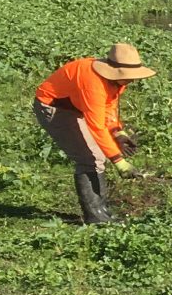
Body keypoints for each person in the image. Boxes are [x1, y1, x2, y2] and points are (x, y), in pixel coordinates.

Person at [33, 42, 154, 225]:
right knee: (90, 158)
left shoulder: (115, 80)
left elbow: (108, 107)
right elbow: (96, 126)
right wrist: (119, 162)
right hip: (53, 108)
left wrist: (117, 132)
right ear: (114, 70)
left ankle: (102, 212)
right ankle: (96, 218)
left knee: (96, 157)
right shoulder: (93, 83)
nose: (132, 80)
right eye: (128, 76)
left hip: (76, 107)